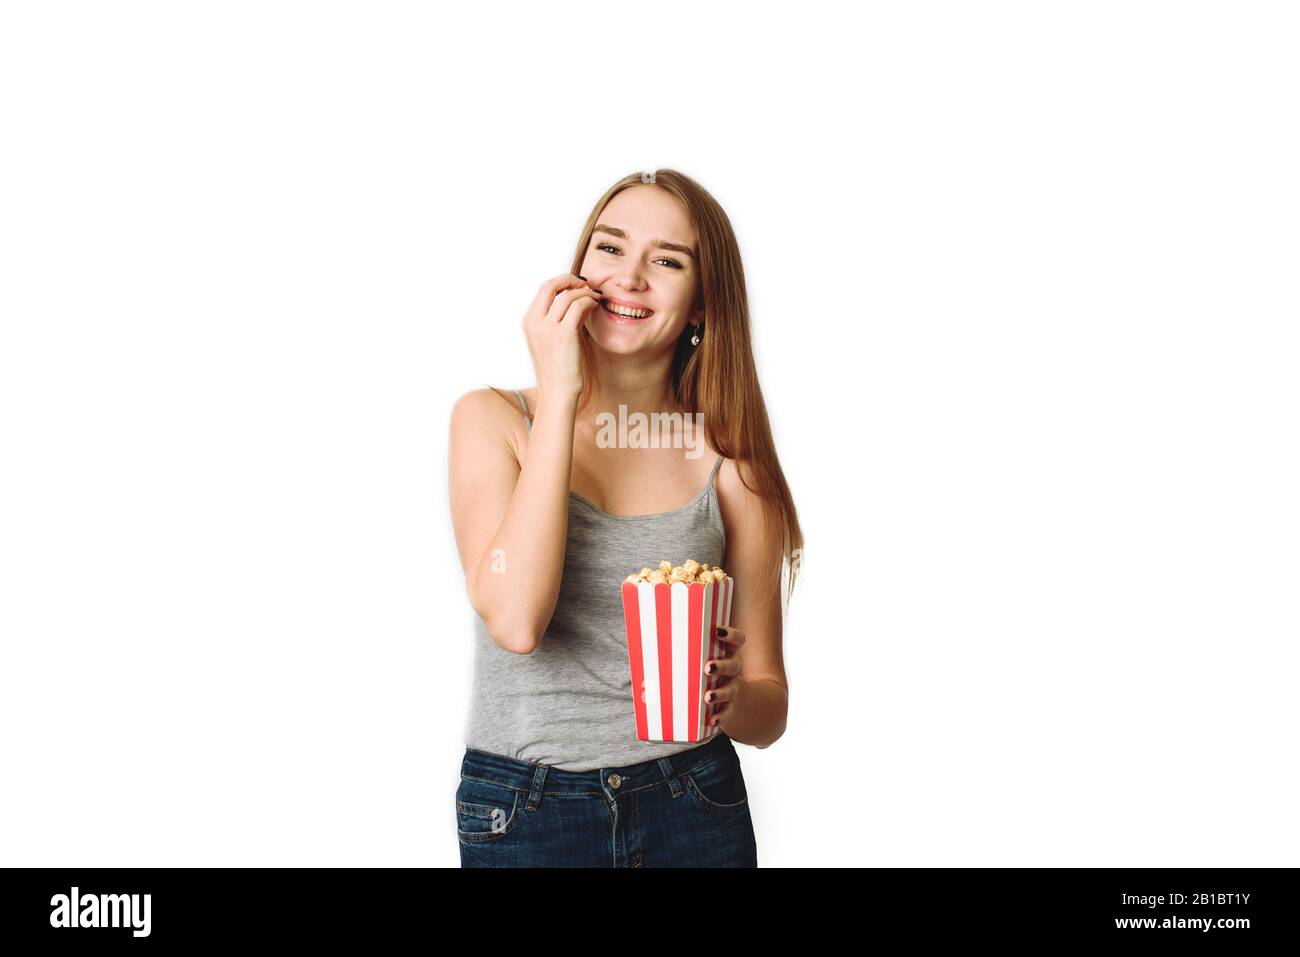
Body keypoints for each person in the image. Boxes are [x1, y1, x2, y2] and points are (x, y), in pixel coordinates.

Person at [447, 169, 803, 867]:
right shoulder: (494, 421)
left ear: (701, 306)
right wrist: (560, 394)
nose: (629, 277)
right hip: (525, 809)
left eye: (667, 261)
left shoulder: (730, 467)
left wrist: (729, 697)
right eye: (609, 248)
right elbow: (517, 620)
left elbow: (771, 706)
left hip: (692, 799)